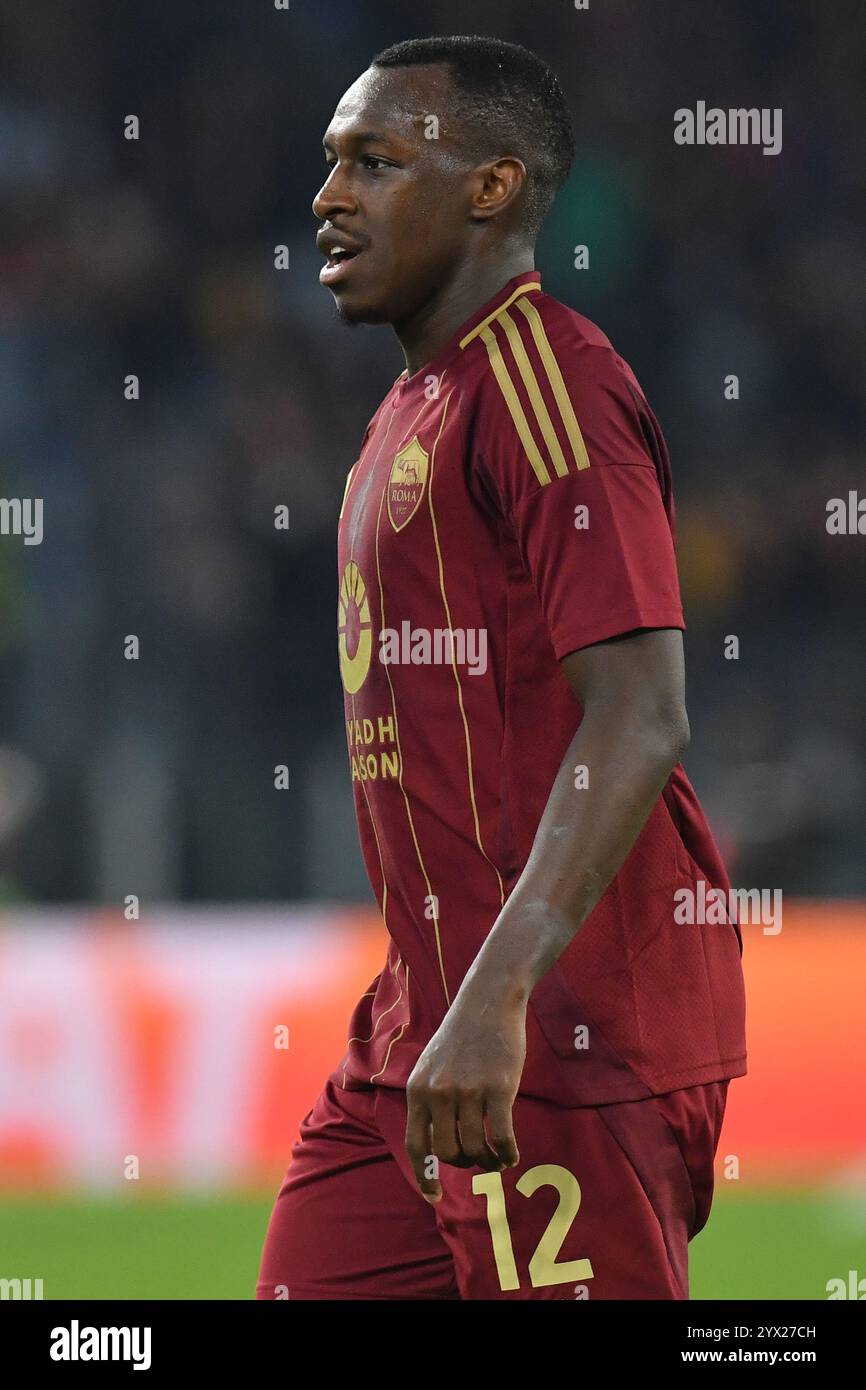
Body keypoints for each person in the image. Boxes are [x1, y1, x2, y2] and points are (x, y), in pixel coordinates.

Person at [257, 34, 746, 1301]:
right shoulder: (412, 406)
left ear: (489, 187)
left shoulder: (553, 387)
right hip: (422, 1042)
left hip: (558, 1035)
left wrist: (498, 997)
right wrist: (446, 1008)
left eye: (373, 160)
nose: (327, 196)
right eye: (329, 164)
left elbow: (639, 715)